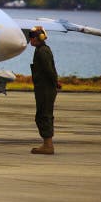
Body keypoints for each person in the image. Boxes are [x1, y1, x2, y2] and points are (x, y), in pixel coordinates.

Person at [28, 26, 61, 155]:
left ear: (39, 38)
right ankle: (47, 144)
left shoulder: (43, 51)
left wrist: (55, 82)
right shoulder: (40, 50)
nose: (30, 40)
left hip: (46, 88)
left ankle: (48, 145)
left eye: (32, 38)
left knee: (44, 115)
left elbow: (49, 70)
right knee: (42, 114)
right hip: (43, 87)